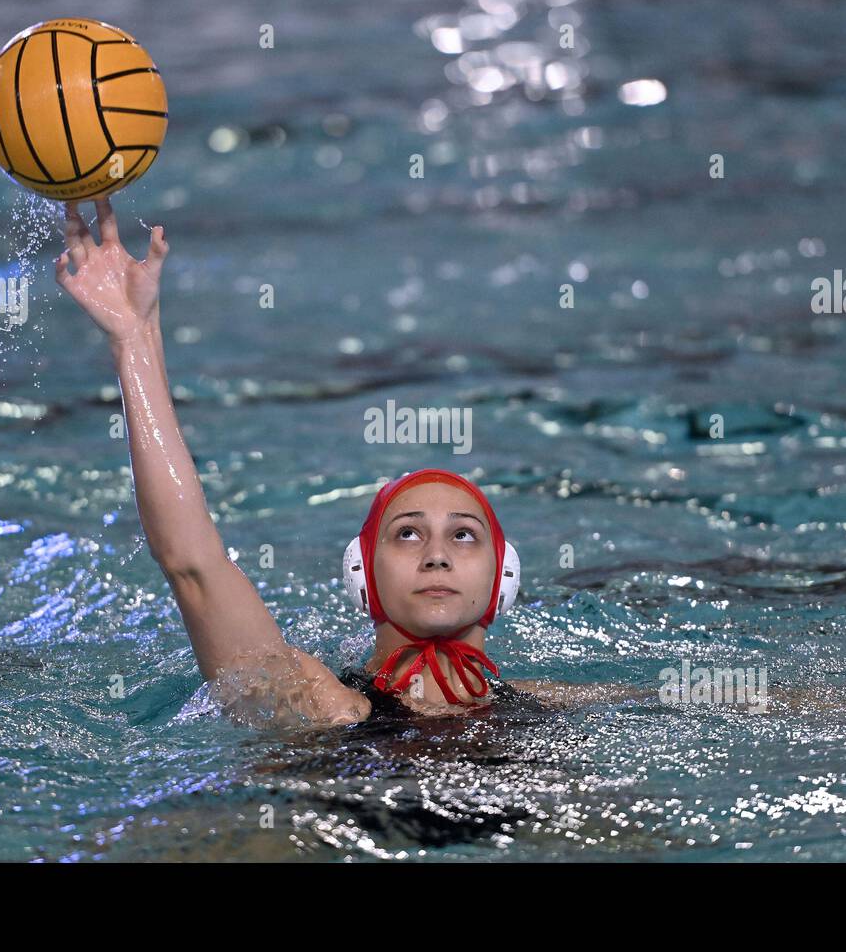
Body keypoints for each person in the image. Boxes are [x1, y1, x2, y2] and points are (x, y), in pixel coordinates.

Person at [54, 197, 594, 729]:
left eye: (464, 536)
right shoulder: (322, 701)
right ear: (362, 574)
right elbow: (192, 564)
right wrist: (133, 341)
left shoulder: (550, 705)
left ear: (504, 576)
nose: (436, 556)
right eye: (407, 534)